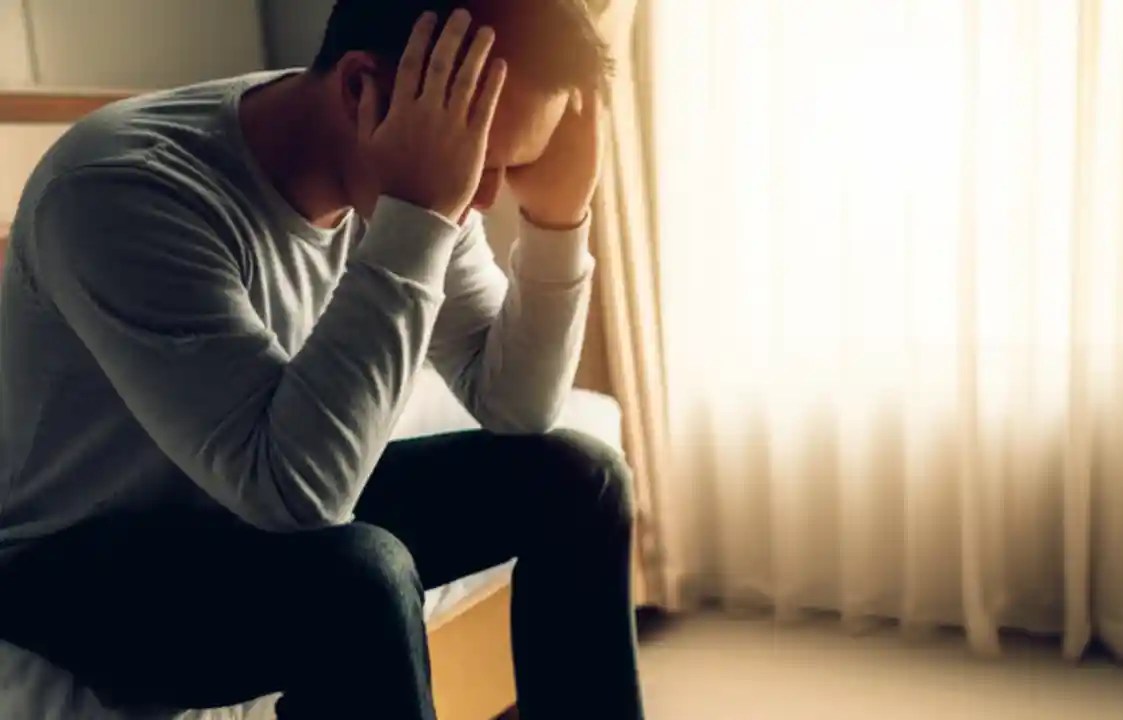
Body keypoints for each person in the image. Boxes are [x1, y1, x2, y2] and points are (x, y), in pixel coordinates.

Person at [0, 0, 644, 718]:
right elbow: (298, 499)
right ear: (361, 88)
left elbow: (516, 405)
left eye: (507, 167)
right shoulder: (120, 190)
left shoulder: (423, 149)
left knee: (582, 479)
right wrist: (417, 217)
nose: (482, 197)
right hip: (74, 562)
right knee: (360, 576)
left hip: (247, 493)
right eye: (482, 164)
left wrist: (557, 221)